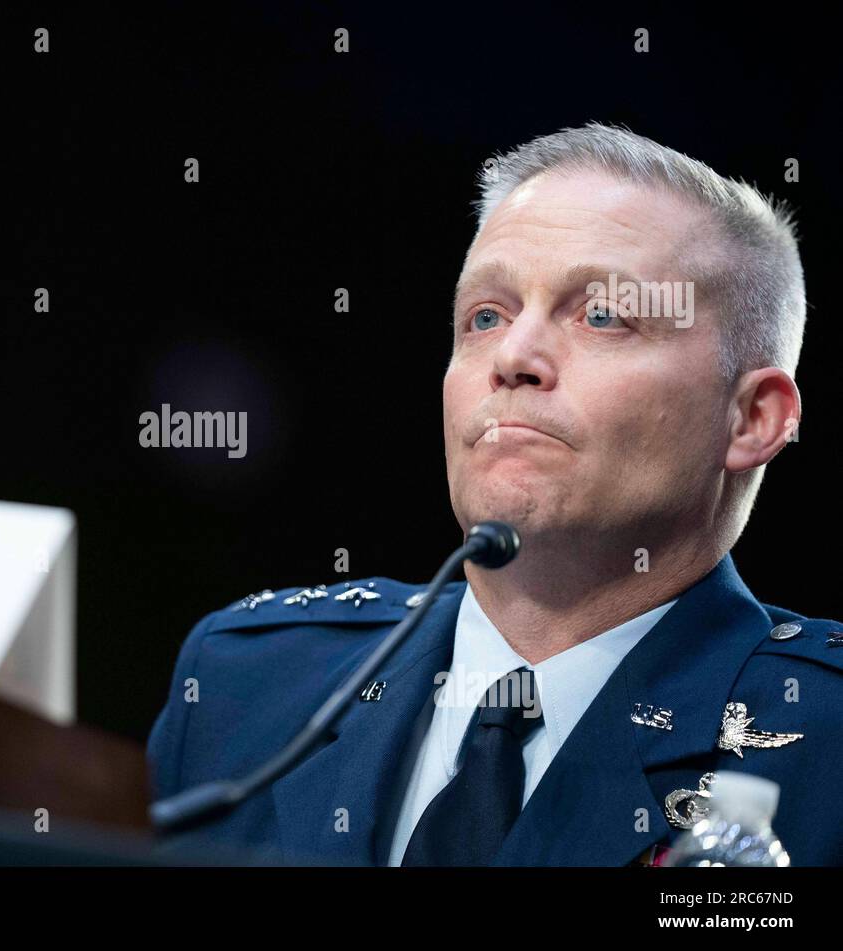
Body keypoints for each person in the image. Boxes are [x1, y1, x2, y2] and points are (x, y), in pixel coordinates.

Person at [146, 122, 843, 866]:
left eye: (602, 315)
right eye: (486, 316)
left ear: (752, 419)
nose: (512, 357)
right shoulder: (244, 680)